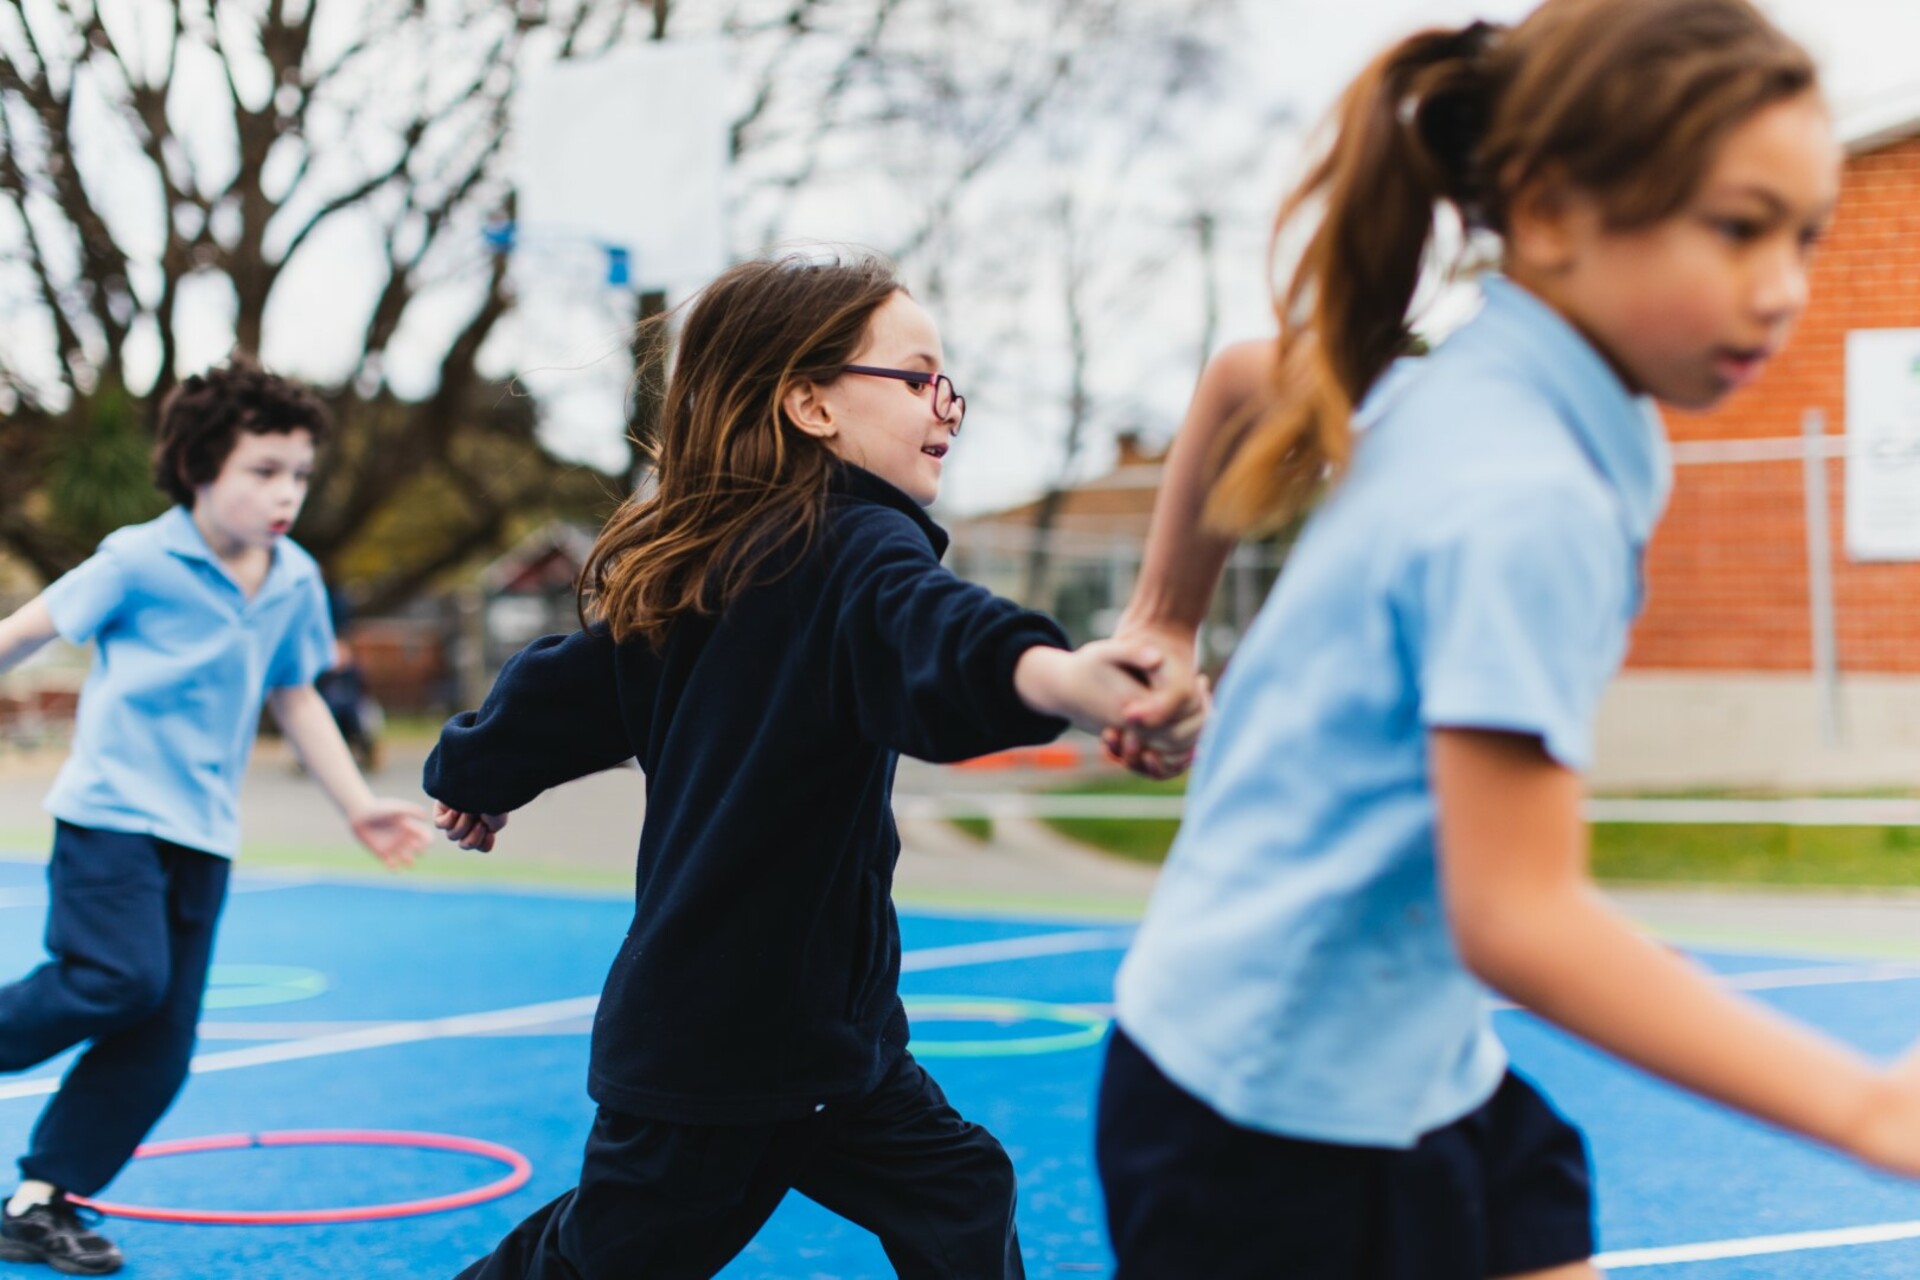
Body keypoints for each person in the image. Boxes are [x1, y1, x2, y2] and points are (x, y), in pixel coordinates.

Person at [1092, 2, 1920, 1276]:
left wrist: (1166, 617)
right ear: (1542, 211)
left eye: (1804, 236)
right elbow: (1520, 918)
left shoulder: (1465, 386)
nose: (1784, 289)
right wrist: (1870, 1108)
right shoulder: (1521, 494)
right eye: (1736, 226)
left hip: (1409, 1058)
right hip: (1268, 1116)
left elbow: (1246, 377)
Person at [424, 251, 1192, 1280]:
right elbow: (933, 629)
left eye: (948, 380)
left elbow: (560, 687)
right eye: (917, 376)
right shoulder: (849, 545)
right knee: (603, 1260)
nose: (948, 404)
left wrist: (474, 769)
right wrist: (1064, 675)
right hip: (725, 1042)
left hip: (834, 1039)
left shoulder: (730, 557)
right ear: (810, 404)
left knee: (962, 1185)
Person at [0, 358, 432, 1276]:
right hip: (111, 816)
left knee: (159, 1050)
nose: (287, 494)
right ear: (200, 466)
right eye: (264, 471)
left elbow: (299, 696)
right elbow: (24, 633)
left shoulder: (295, 579)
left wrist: (356, 806)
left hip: (203, 835)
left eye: (300, 475)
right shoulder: (138, 559)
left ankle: (40, 1200)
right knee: (117, 981)